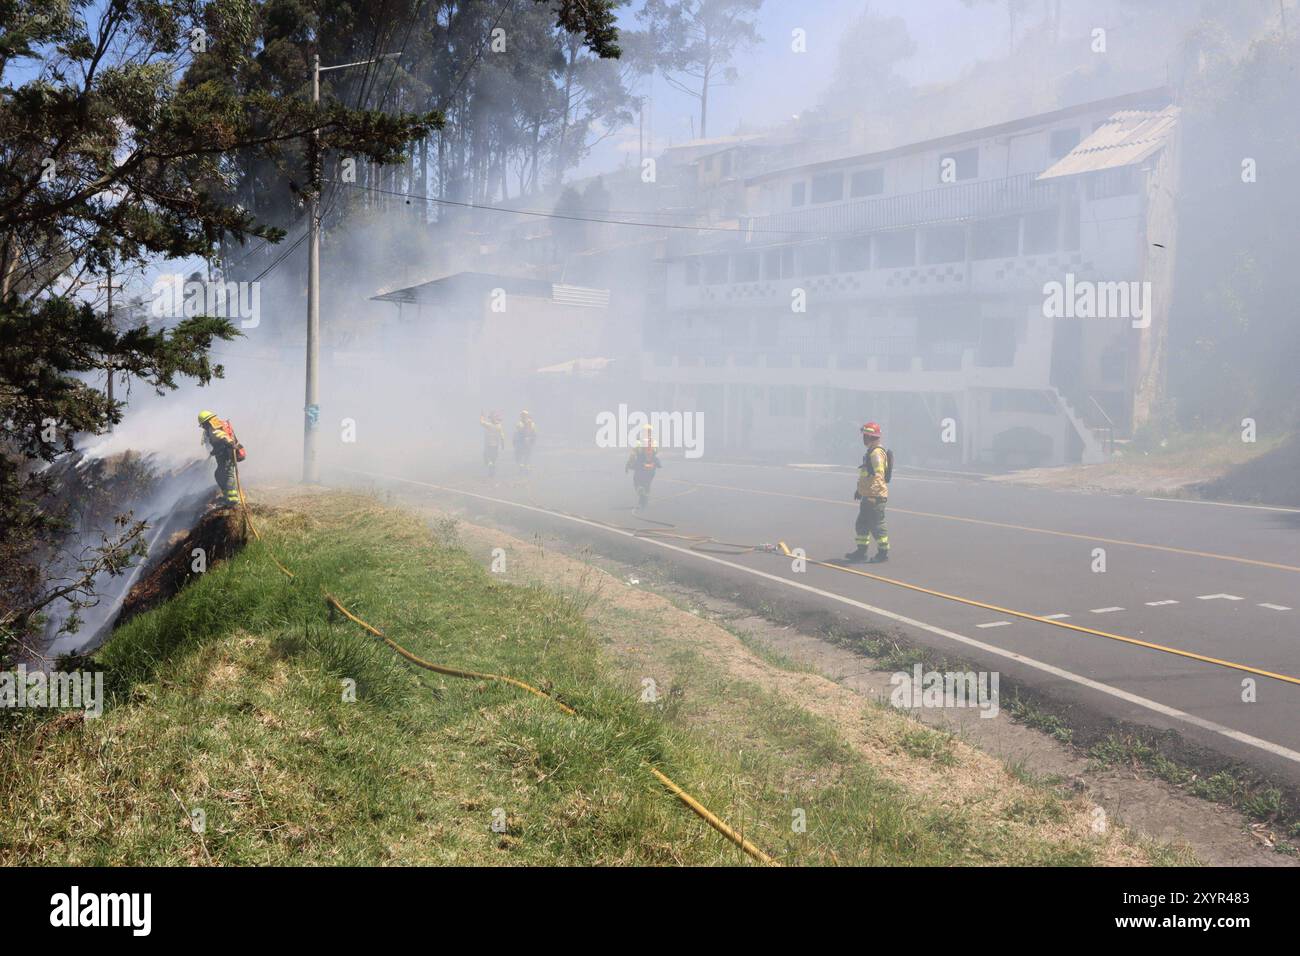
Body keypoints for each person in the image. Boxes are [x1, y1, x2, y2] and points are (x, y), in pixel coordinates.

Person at [844, 421, 891, 563]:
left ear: (871, 436)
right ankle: (861, 551)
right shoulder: (871, 451)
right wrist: (860, 491)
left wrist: (872, 495)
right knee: (862, 524)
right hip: (868, 494)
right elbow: (866, 475)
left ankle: (883, 553)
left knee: (877, 525)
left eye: (865, 436)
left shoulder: (876, 453)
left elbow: (878, 476)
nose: (863, 438)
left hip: (874, 496)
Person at [198, 409, 245, 509]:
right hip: (222, 455)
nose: (203, 427)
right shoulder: (214, 427)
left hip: (226, 455)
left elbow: (222, 437)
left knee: (227, 474)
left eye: (203, 425)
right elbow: (218, 442)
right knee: (218, 474)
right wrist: (214, 451)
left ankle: (233, 500)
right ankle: (227, 496)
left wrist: (231, 444)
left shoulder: (214, 428)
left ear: (206, 422)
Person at [625, 424, 661, 509]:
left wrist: (628, 464)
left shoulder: (638, 442)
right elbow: (655, 453)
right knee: (647, 484)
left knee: (637, 482)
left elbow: (632, 455)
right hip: (652, 467)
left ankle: (642, 495)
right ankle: (643, 499)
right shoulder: (654, 442)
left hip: (640, 466)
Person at [480, 411, 505, 477]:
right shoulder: (499, 426)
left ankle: (491, 467)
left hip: (488, 445)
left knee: (487, 457)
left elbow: (482, 422)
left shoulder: (489, 425)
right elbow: (502, 436)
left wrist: (482, 416)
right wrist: (502, 444)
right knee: (493, 458)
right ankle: (492, 469)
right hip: (496, 445)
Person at [513, 410, 537, 474]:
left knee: (523, 454)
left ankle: (523, 467)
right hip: (525, 441)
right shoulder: (531, 423)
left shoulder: (519, 423)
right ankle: (525, 467)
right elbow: (534, 433)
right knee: (526, 454)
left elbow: (517, 433)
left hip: (522, 441)